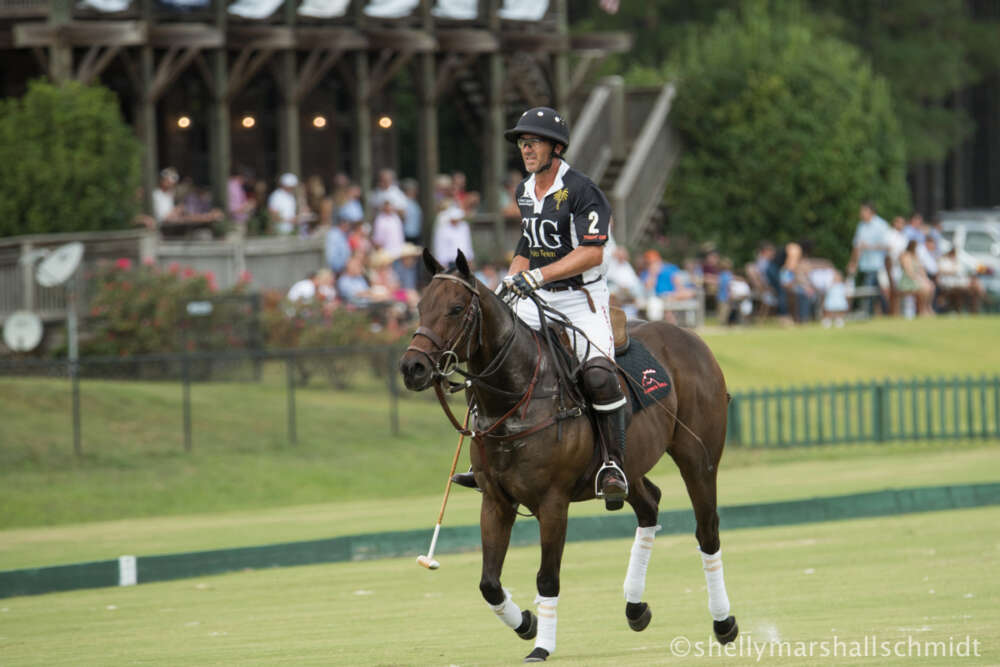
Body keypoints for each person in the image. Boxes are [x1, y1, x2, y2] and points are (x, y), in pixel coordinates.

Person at [450, 106, 628, 510]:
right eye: (522, 143)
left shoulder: (583, 191)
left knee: (599, 374)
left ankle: (612, 465)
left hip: (582, 300)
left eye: (533, 142)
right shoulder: (524, 191)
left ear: (557, 148)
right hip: (536, 295)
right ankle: (485, 461)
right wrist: (512, 279)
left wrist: (539, 277)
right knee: (489, 353)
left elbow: (592, 253)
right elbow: (527, 247)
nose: (526, 149)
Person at [846, 202, 891, 316]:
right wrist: (853, 263)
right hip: (865, 264)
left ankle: (875, 312)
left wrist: (869, 246)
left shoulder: (881, 225)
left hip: (878, 264)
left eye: (863, 211)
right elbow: (857, 246)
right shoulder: (861, 225)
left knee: (877, 289)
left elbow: (888, 246)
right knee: (872, 290)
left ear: (871, 212)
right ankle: (873, 312)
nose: (861, 213)